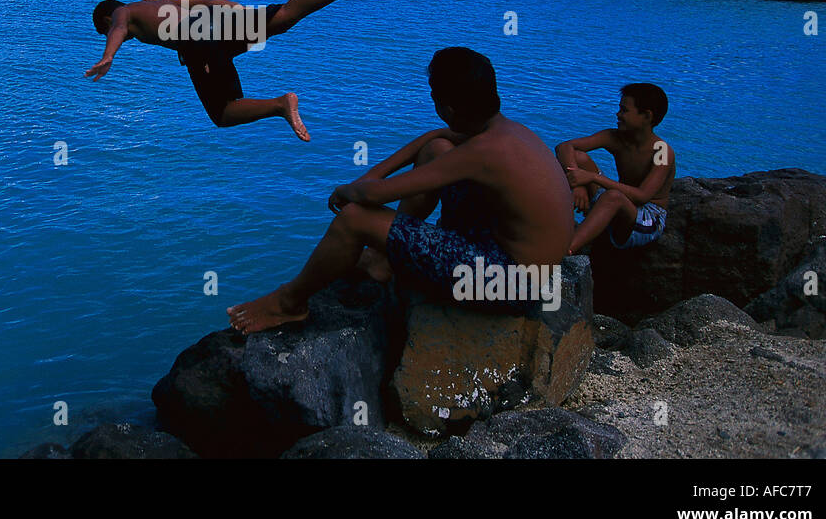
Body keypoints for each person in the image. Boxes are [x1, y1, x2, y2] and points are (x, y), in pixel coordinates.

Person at [226, 48, 574, 333]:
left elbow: (374, 198)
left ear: (446, 107)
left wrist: (350, 191)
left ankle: (289, 303)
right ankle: (383, 258)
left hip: (508, 285)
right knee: (436, 149)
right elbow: (431, 141)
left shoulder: (485, 152)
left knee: (355, 220)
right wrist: (368, 178)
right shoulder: (506, 133)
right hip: (520, 267)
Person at [86, 0, 396, 141]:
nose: (121, 36)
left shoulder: (121, 14)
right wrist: (240, 12)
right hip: (215, 25)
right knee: (285, 16)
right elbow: (204, 0)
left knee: (223, 113)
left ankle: (279, 105)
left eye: (105, 28)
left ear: (105, 18)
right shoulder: (158, 2)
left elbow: (118, 28)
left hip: (200, 40)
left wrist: (108, 54)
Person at [556, 83, 674, 254]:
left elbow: (642, 196)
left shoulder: (661, 151)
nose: (618, 114)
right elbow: (565, 147)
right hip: (618, 206)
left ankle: (566, 249)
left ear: (647, 116)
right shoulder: (615, 137)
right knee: (579, 157)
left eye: (624, 110)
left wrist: (592, 177)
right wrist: (577, 185)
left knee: (613, 197)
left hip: (647, 220)